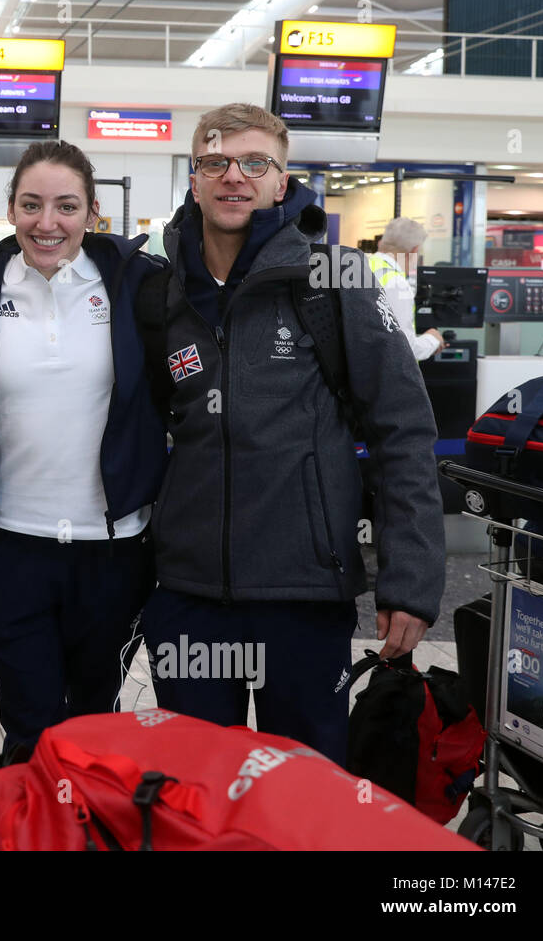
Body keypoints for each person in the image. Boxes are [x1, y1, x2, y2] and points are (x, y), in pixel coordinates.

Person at [136, 103, 445, 765]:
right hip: (189, 600)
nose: (234, 177)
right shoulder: (164, 295)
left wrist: (410, 581)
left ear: (282, 181)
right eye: (215, 162)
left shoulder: (332, 281)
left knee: (303, 799)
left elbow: (404, 431)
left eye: (256, 163)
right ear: (194, 178)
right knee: (193, 794)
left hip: (303, 596)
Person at [0, 141, 165, 764]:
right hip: (9, 547)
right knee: (30, 728)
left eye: (66, 206)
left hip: (116, 548)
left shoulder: (137, 285)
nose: (48, 223)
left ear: (93, 212)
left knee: (94, 725)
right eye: (31, 205)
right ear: (11, 208)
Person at [370, 217, 446, 361]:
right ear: (414, 250)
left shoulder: (361, 267)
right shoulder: (396, 283)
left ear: (382, 243)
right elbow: (404, 348)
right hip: (388, 373)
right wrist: (432, 338)